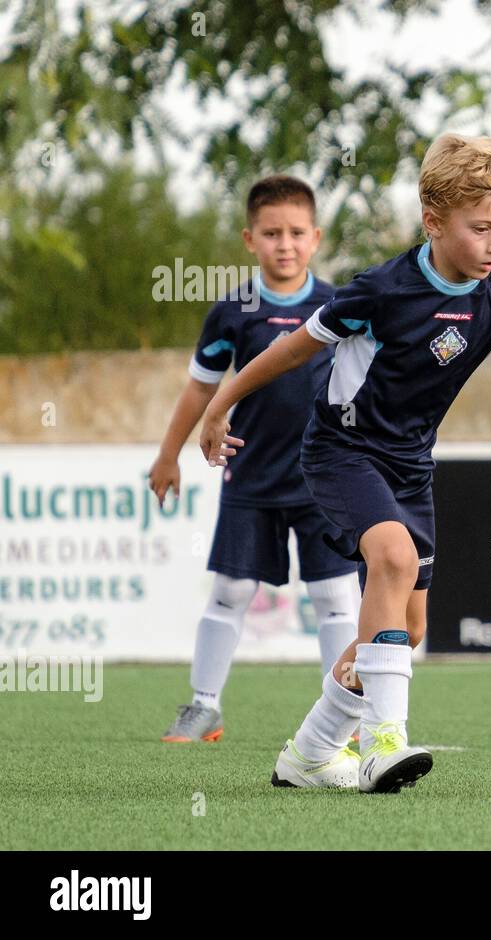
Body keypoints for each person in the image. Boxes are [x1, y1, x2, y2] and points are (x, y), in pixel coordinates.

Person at [197, 135, 491, 792]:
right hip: (341, 452)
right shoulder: (381, 290)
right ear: (434, 221)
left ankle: (310, 752)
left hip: (411, 469)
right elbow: (291, 350)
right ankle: (382, 744)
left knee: (408, 626)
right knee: (392, 560)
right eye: (481, 228)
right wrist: (221, 401)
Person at [151, 176, 360, 744]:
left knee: (335, 598)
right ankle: (203, 706)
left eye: (296, 232)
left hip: (325, 478)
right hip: (251, 477)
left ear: (315, 237)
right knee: (231, 592)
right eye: (271, 233)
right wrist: (168, 455)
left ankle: (342, 716)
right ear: (250, 239)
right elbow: (201, 388)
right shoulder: (232, 311)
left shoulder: (340, 305)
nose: (284, 244)